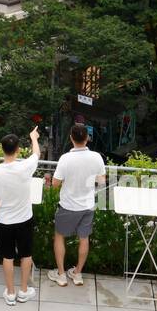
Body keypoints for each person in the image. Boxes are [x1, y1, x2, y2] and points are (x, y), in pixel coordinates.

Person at [44, 123, 108, 287]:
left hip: (68, 205)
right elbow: (101, 181)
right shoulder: (96, 157)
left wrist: (50, 181)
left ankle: (61, 274)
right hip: (87, 205)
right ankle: (77, 273)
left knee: (59, 236)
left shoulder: (66, 158)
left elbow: (56, 184)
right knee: (84, 239)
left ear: (71, 138)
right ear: (87, 138)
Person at [0, 126, 41, 305]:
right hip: (24, 219)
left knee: (7, 256)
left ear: (2, 149)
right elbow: (36, 154)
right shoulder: (25, 167)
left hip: (4, 221)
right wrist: (33, 138)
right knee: (26, 254)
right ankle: (24, 291)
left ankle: (10, 293)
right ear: (18, 150)